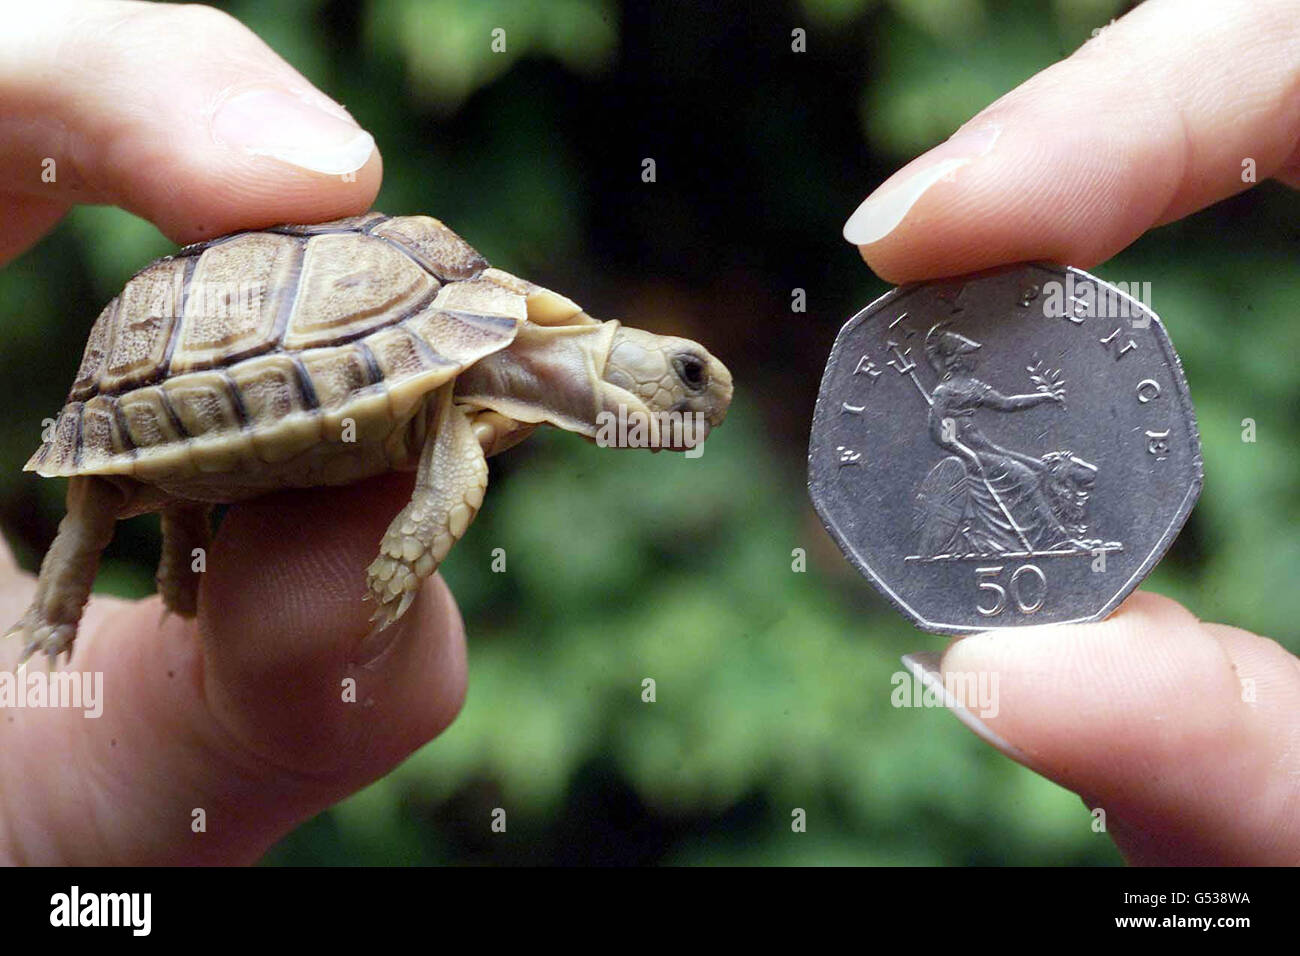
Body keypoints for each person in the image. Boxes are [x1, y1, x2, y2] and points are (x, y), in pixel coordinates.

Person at [1, 0, 1296, 867]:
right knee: (108, 506)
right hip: (187, 353)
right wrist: (403, 558)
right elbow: (435, 497)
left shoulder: (488, 398)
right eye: (678, 380)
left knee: (190, 542)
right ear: (609, 347)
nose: (683, 406)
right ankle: (89, 593)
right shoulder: (458, 373)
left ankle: (174, 555)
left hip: (228, 406)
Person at [845, 0, 1300, 865]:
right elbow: (971, 424)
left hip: (975, 438)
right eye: (966, 345)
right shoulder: (953, 386)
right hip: (960, 454)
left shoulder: (967, 377)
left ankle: (1048, 525)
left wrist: (1044, 399)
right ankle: (1039, 524)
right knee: (1012, 471)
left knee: (1025, 463)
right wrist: (1003, 418)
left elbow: (1004, 408)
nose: (974, 350)